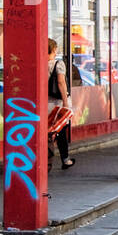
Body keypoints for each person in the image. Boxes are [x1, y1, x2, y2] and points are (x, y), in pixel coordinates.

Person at [47, 38, 75, 169]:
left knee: (47, 132)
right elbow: (61, 83)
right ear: (53, 49)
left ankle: (47, 160)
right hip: (57, 102)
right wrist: (65, 102)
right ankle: (65, 159)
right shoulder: (58, 64)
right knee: (61, 131)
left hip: (45, 102)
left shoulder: (40, 63)